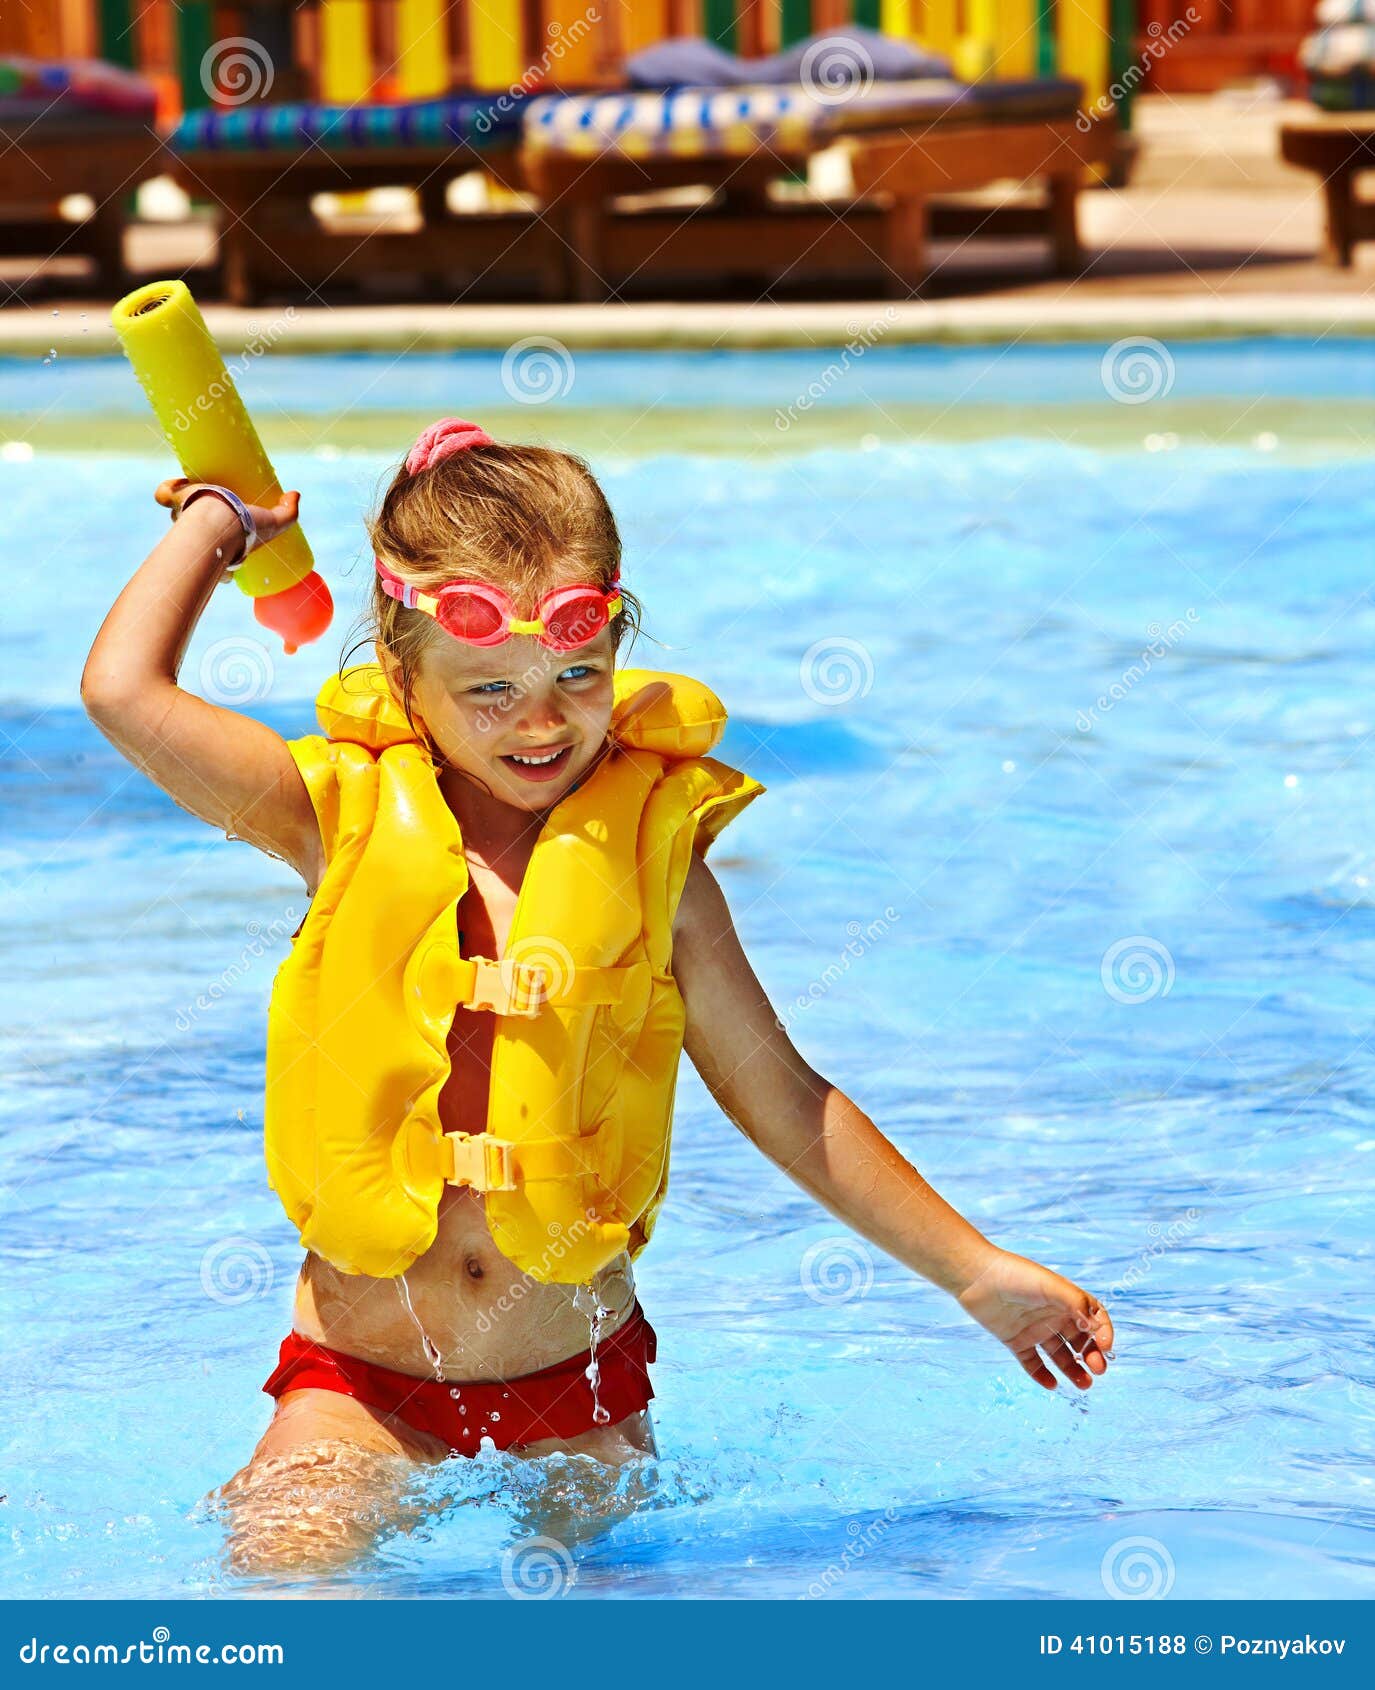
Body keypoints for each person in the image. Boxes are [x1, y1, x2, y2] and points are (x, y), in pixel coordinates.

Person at [81, 419, 1114, 1574]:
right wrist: (222, 524)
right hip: (359, 1385)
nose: (540, 720)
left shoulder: (659, 874)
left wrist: (977, 1272)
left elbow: (783, 1098)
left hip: (576, 1396)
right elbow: (124, 692)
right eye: (490, 688)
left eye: (577, 675)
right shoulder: (329, 820)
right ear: (400, 669)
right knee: (283, 1574)